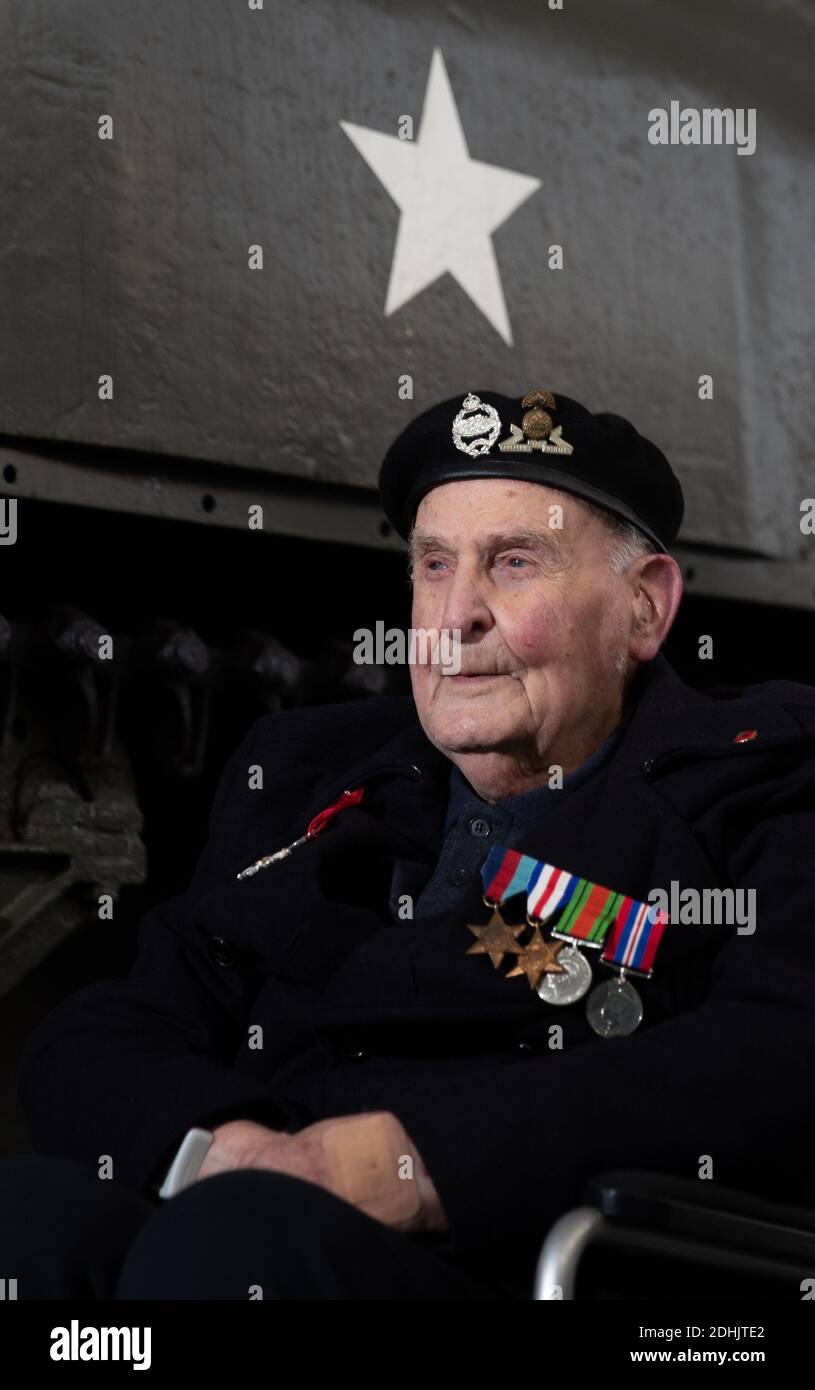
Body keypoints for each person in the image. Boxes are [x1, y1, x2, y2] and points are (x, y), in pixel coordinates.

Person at [5, 386, 815, 1300]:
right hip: (269, 1210)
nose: (455, 615)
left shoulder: (765, 779)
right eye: (434, 566)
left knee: (238, 1249)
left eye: (513, 562)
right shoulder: (312, 774)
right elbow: (118, 1020)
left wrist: (414, 1159)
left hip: (544, 1252)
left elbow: (778, 1051)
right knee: (31, 1219)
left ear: (642, 609)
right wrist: (221, 1143)